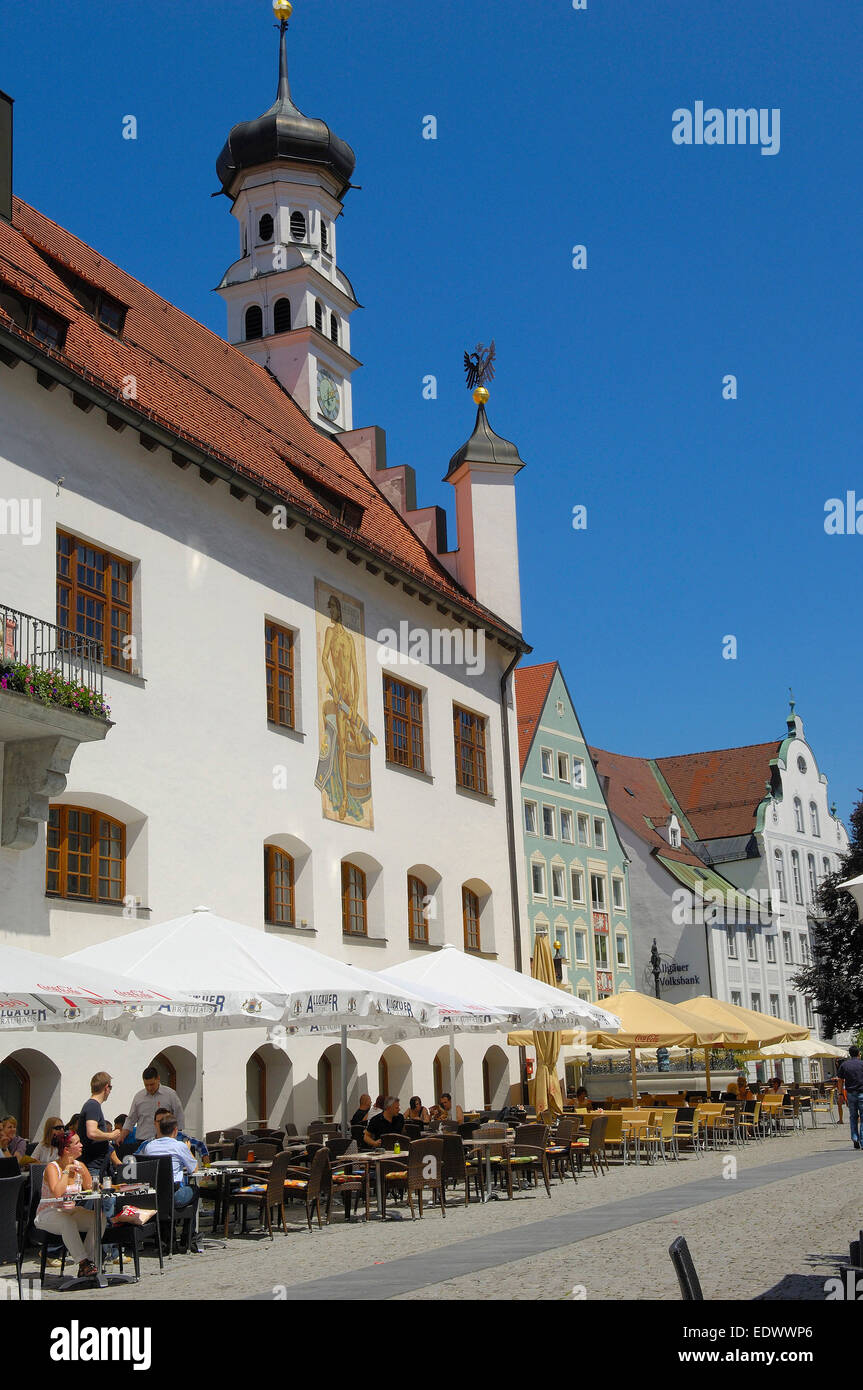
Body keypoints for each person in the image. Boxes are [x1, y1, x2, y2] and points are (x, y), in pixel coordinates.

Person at [33, 1128, 105, 1280]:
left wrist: (91, 1179)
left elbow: (91, 1189)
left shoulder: (80, 1165)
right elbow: (57, 1193)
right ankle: (85, 1262)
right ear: (66, 1149)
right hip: (48, 1213)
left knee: (99, 1218)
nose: (81, 1145)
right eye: (77, 1143)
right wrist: (66, 1171)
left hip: (70, 1211)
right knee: (67, 1221)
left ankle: (86, 1263)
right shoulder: (53, 1168)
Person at [141, 1113, 199, 1214]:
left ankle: (169, 1225)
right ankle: (189, 1228)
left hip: (153, 1196)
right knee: (195, 1189)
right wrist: (188, 1150)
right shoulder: (179, 1146)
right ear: (175, 1130)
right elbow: (194, 1169)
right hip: (173, 1195)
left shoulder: (149, 1146)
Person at [120, 1066, 185, 1145]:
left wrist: (178, 1138)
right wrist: (122, 1135)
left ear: (158, 1079)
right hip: (143, 1141)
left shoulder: (170, 1095)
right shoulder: (138, 1097)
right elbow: (131, 1119)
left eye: (152, 1084)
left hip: (165, 1141)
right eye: (146, 1085)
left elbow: (179, 1117)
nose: (149, 1088)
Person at [78, 1072, 123, 1182]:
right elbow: (92, 1132)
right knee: (96, 1198)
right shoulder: (93, 1105)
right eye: (110, 1088)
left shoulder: (92, 1105)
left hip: (97, 1165)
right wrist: (111, 1135)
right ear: (106, 1087)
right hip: (93, 1166)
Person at [837, 1046, 863, 1149]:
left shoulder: (844, 1065)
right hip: (862, 1093)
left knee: (853, 1116)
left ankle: (855, 1138)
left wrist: (840, 1094)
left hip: (850, 1093)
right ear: (858, 1054)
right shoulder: (862, 1064)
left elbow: (840, 1080)